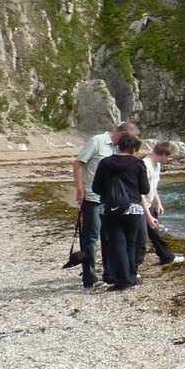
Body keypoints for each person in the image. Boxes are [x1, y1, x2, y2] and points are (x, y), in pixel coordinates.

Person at [72, 121, 139, 289]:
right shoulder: (97, 141)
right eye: (132, 138)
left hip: (110, 203)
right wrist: (80, 190)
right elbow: (78, 163)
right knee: (91, 238)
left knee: (109, 239)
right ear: (124, 134)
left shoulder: (118, 150)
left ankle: (109, 274)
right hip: (93, 197)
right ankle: (89, 276)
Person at [91, 132, 150, 291]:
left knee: (116, 243)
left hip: (109, 209)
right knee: (131, 243)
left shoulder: (105, 163)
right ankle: (130, 277)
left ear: (119, 146)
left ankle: (121, 279)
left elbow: (95, 188)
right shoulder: (138, 164)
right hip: (133, 208)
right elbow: (145, 189)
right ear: (134, 149)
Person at [141, 141, 185, 266]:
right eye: (168, 156)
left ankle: (166, 257)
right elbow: (141, 193)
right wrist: (148, 214)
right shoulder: (145, 165)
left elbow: (153, 187)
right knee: (141, 238)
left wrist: (158, 203)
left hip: (149, 204)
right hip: (141, 206)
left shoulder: (157, 165)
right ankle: (131, 269)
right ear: (164, 154)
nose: (168, 159)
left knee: (155, 234)